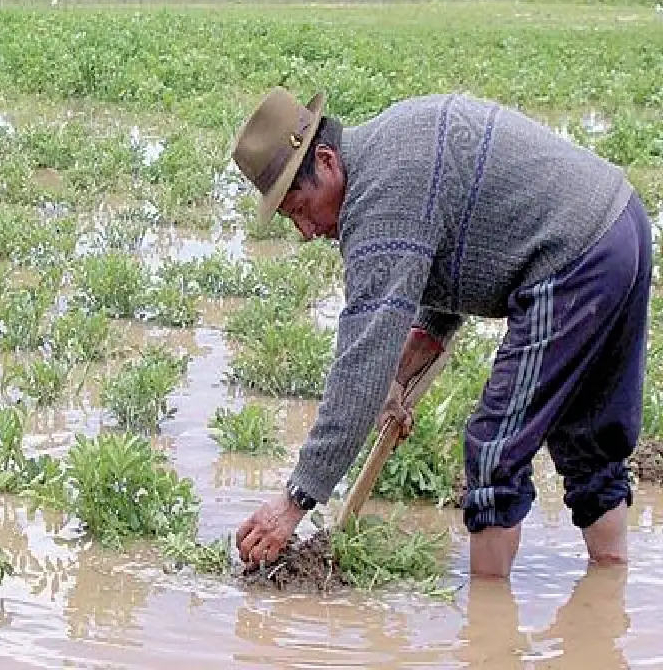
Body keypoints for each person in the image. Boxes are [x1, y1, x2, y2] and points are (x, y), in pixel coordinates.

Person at [230, 88, 652, 578]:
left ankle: (488, 612)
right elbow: (458, 251)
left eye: (300, 208)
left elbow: (362, 362)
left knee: (494, 452)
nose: (306, 230)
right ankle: (610, 587)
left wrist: (295, 499)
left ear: (325, 161)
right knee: (590, 438)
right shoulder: (391, 148)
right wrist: (404, 373)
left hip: (573, 259)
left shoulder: (378, 202)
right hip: (621, 222)